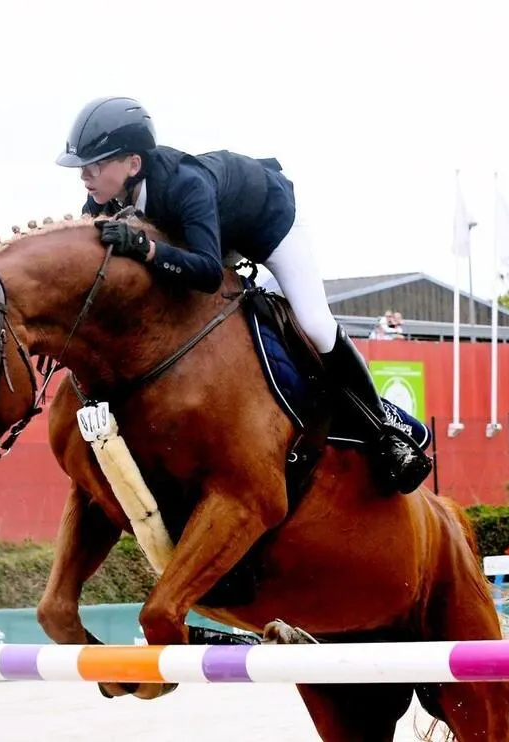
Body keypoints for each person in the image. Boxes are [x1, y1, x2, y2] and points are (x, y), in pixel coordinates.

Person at [54, 96, 431, 495]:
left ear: (133, 164)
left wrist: (147, 250)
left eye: (96, 165)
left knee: (316, 326)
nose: (85, 176)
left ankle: (385, 431)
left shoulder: (185, 184)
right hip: (214, 233)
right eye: (82, 167)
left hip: (267, 225)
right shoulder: (102, 201)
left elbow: (207, 272)